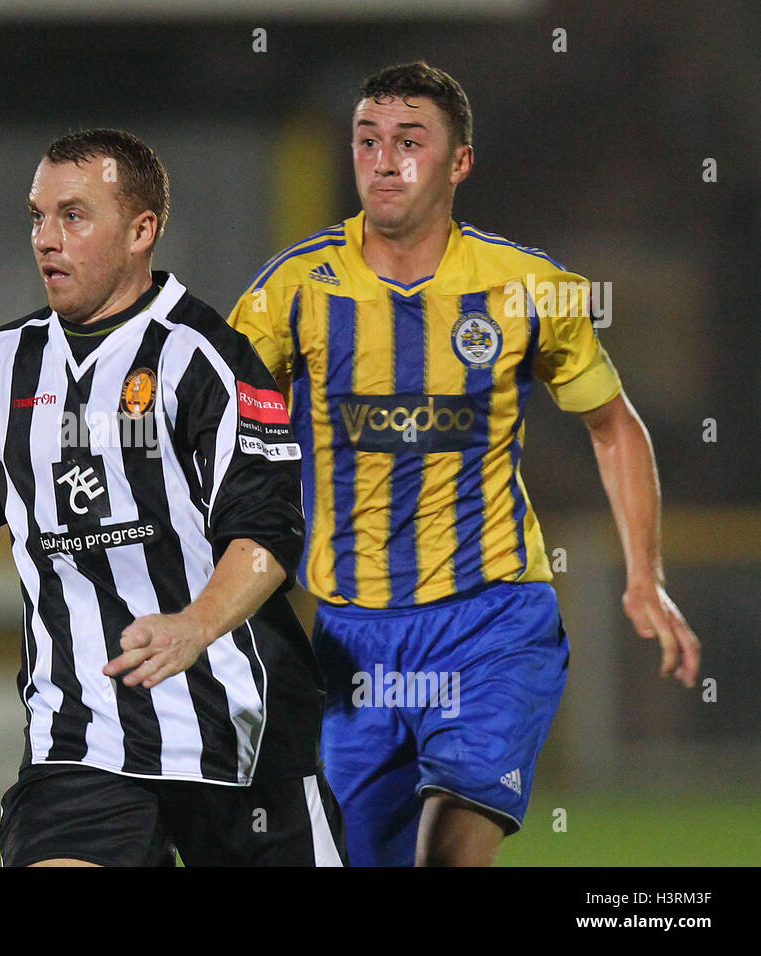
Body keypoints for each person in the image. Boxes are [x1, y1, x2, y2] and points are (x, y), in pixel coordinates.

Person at [0, 128, 346, 867]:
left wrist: (194, 626)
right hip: (81, 737)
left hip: (239, 731)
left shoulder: (207, 359)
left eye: (73, 216)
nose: (47, 238)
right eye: (37, 217)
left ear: (141, 231)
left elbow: (267, 538)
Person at [227, 62, 700, 866]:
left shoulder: (527, 287)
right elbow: (221, 433)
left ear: (460, 162)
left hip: (493, 622)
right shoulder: (293, 290)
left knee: (448, 851)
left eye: (410, 142)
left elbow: (613, 427)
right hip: (351, 640)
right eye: (368, 140)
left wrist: (643, 574)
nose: (384, 161)